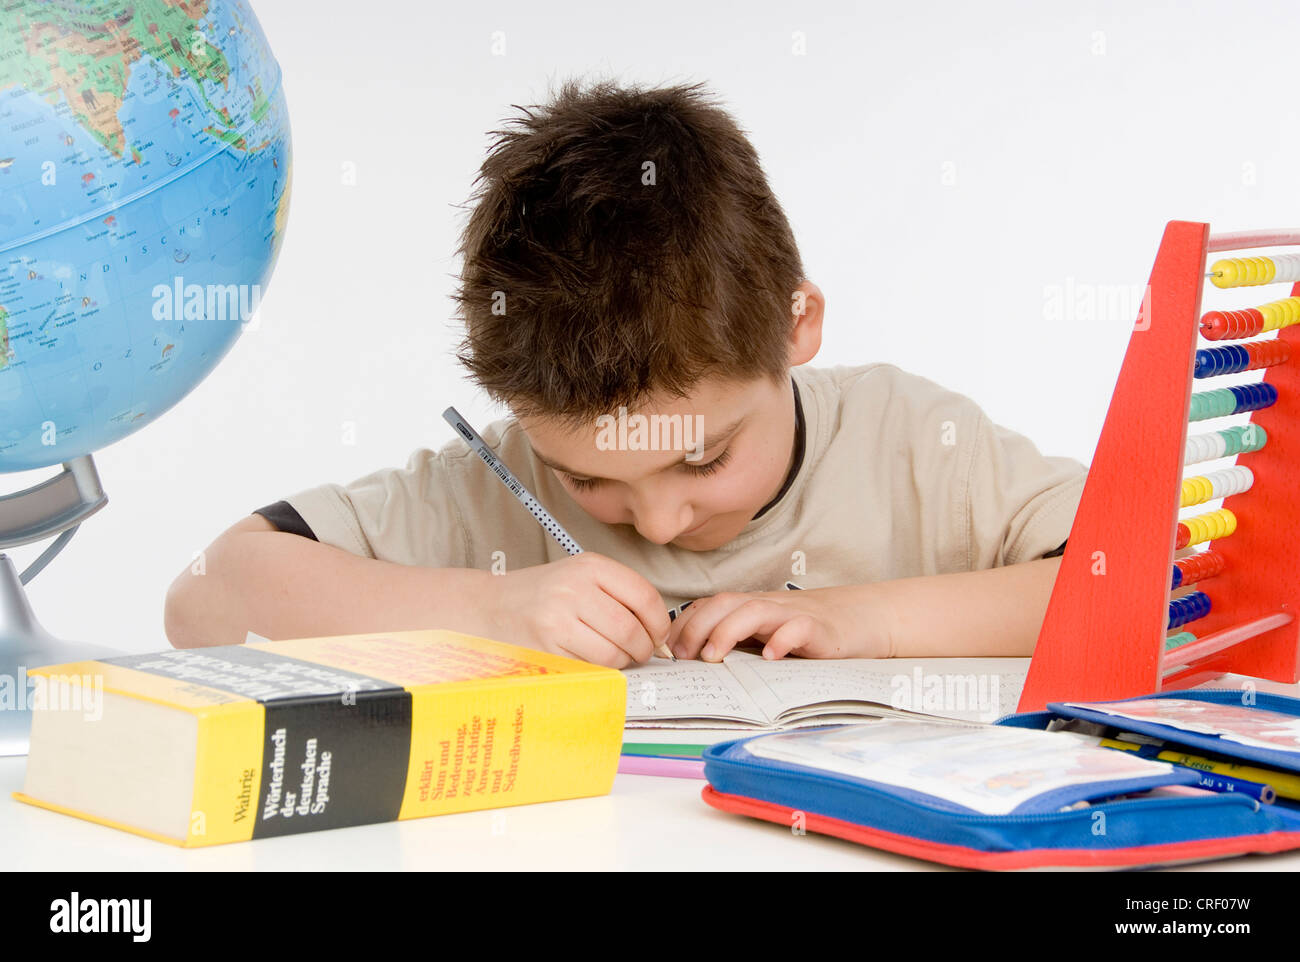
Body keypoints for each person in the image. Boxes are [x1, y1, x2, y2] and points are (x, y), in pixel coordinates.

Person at [164, 78, 1086, 668]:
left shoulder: (918, 446)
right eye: (589, 479)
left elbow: (1152, 584)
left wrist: (867, 625)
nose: (657, 521)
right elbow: (206, 595)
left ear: (794, 325)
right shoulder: (492, 487)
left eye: (701, 460)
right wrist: (488, 607)